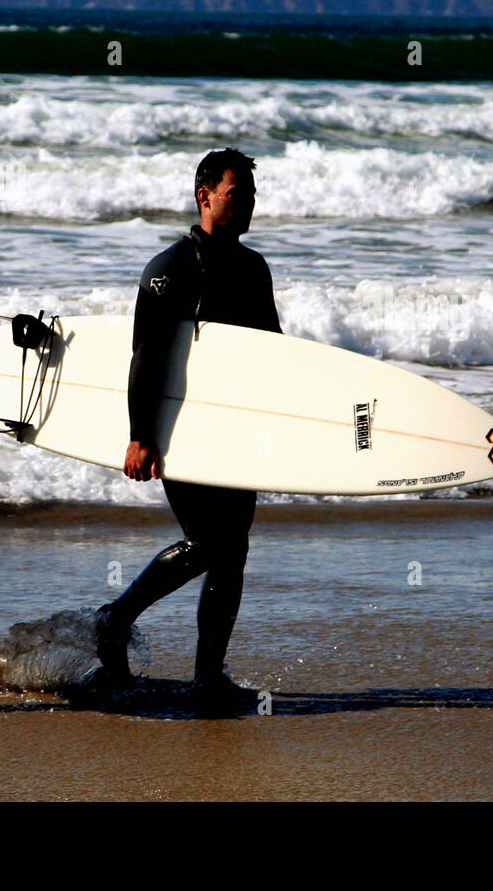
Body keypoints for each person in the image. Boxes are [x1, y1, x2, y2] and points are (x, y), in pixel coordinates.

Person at [95, 147, 280, 704]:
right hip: (183, 426)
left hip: (237, 427)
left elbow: (274, 354)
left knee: (234, 550)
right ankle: (115, 617)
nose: (246, 204)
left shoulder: (253, 268)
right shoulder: (169, 271)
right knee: (206, 543)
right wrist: (140, 434)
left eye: (250, 195)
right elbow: (145, 357)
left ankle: (208, 675)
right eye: (235, 194)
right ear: (204, 196)